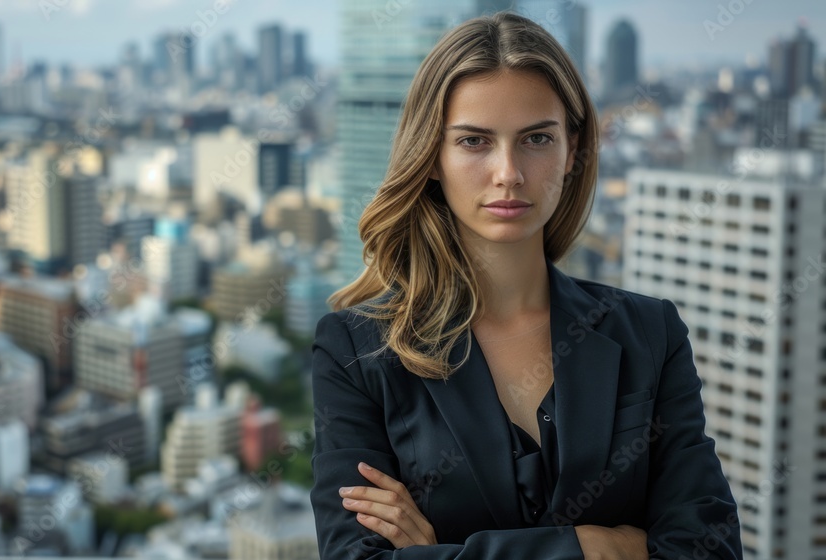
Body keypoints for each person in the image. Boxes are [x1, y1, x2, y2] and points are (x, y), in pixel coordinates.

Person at [310, 11, 742, 560]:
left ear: (573, 149)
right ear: (433, 156)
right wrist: (593, 547)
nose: (508, 172)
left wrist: (444, 552)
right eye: (474, 141)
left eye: (537, 138)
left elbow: (711, 549)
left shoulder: (650, 333)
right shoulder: (356, 352)